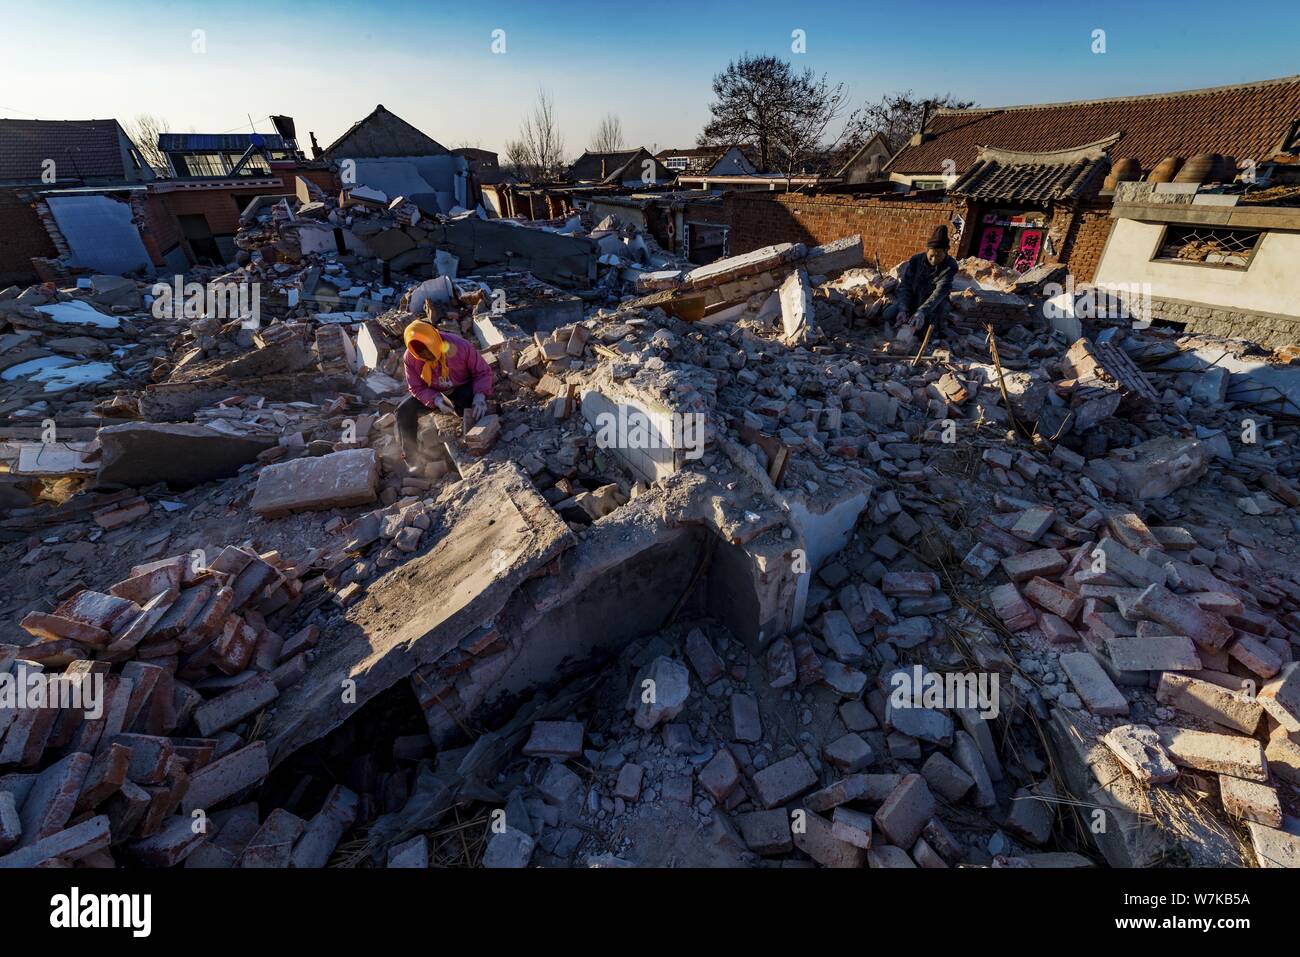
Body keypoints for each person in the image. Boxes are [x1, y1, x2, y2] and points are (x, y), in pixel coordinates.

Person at [397, 319, 493, 463]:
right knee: (403, 411)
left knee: (466, 406)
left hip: (461, 386)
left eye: (428, 352)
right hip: (434, 391)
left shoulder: (460, 346)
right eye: (421, 356)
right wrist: (436, 399)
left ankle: (474, 439)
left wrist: (480, 396)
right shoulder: (410, 358)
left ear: (434, 341)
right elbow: (416, 387)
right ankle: (412, 457)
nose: (426, 358)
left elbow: (483, 373)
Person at [883, 224, 959, 339]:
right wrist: (903, 308)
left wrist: (922, 312)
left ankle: (934, 325)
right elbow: (905, 286)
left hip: (934, 304)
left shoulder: (950, 266)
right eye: (931, 256)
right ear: (927, 250)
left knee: (926, 333)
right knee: (887, 315)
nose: (934, 260)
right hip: (914, 298)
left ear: (946, 251)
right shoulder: (916, 260)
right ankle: (905, 315)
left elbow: (939, 293)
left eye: (938, 256)